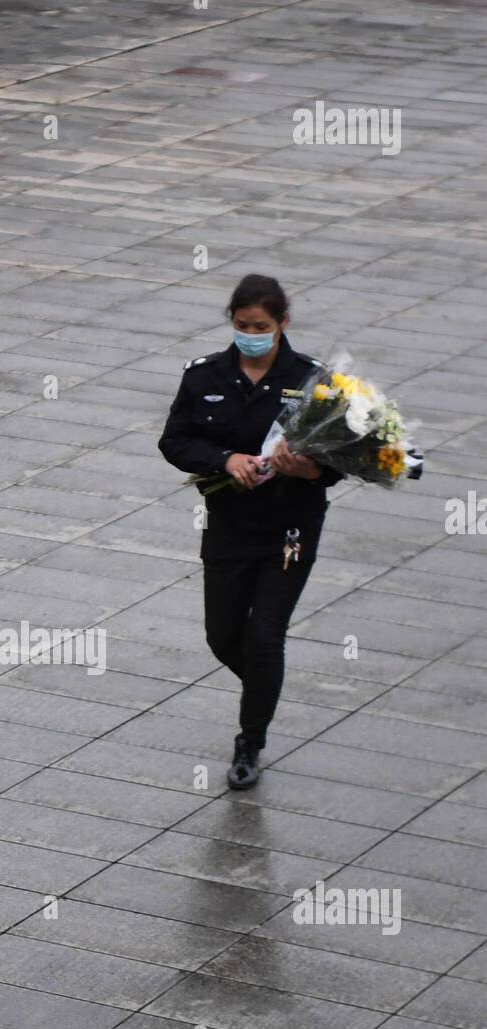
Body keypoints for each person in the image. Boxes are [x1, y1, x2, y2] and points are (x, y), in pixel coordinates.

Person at [158, 274, 341, 789]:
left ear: (283, 322)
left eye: (261, 325)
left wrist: (306, 468)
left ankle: (250, 741)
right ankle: (265, 689)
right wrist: (225, 458)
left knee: (264, 635)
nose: (250, 334)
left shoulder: (312, 380)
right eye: (241, 325)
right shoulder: (205, 376)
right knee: (222, 636)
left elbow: (336, 462)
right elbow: (175, 441)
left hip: (290, 528)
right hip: (230, 525)